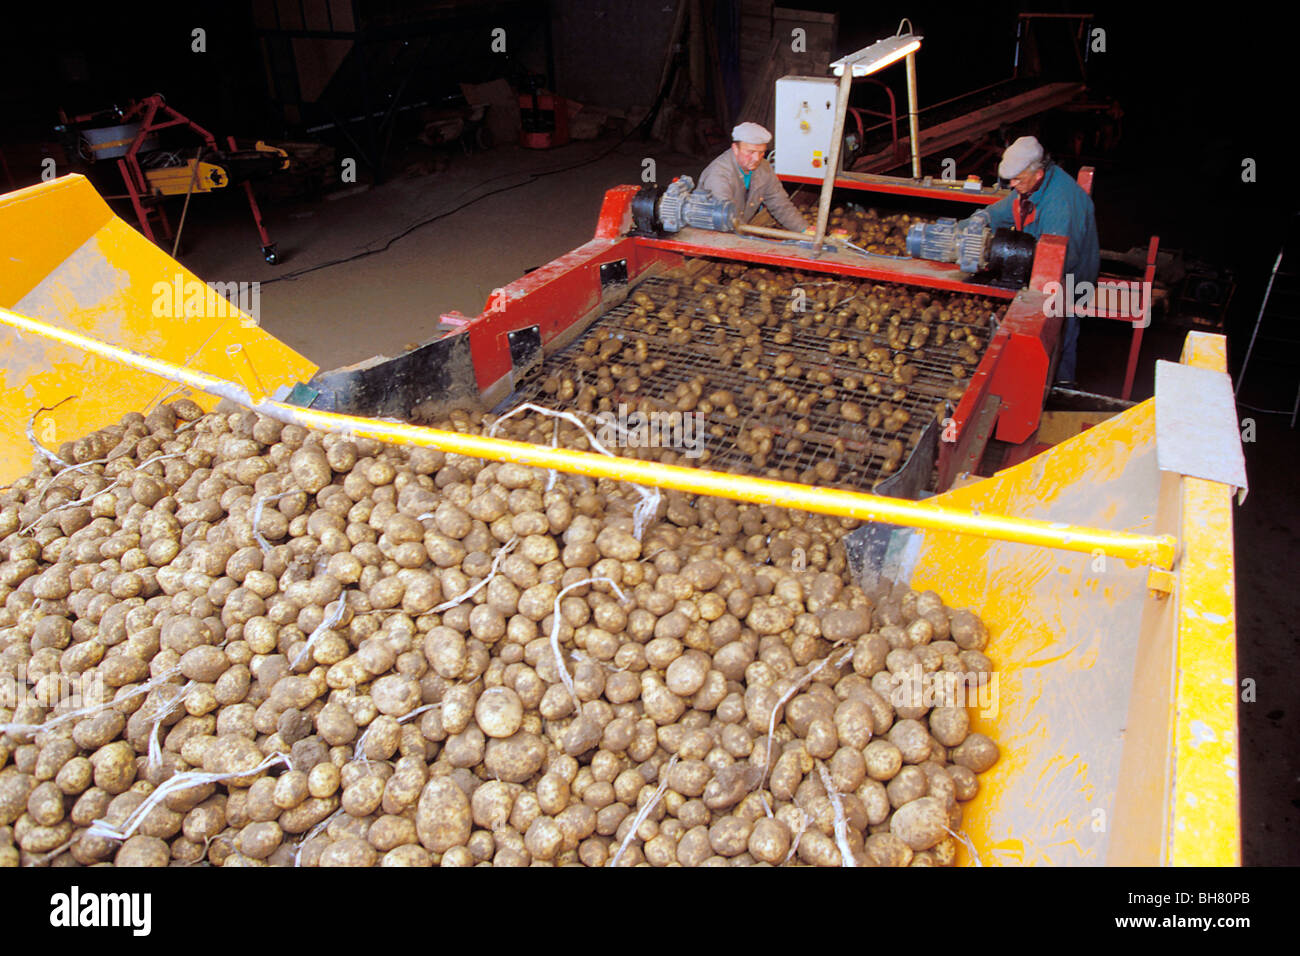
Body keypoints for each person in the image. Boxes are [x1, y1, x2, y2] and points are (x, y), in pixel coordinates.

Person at [968, 135, 1100, 386]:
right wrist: (980, 219)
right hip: (1047, 265)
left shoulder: (1059, 204)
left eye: (1017, 180)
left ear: (1038, 174)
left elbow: (1059, 262)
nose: (1013, 185)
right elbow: (1008, 208)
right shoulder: (1033, 185)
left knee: (1060, 335)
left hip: (1071, 280)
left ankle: (1061, 386)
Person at [698, 122, 811, 235]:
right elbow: (727, 217)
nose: (756, 158)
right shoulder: (718, 175)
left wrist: (805, 229)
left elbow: (779, 203)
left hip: (739, 230)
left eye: (761, 152)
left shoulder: (763, 167)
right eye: (750, 152)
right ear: (735, 149)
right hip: (713, 234)